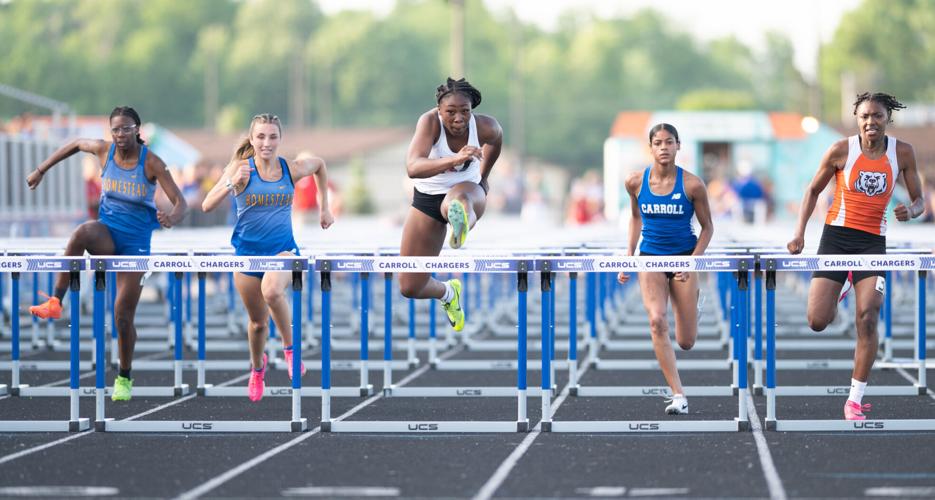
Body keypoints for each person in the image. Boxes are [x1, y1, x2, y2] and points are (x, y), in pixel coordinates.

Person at [26, 106, 188, 401]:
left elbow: (181, 202)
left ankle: (124, 376)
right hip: (108, 234)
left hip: (136, 245)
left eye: (126, 129)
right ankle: (56, 301)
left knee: (122, 316)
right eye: (115, 129)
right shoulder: (104, 151)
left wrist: (171, 219)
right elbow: (76, 144)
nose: (120, 134)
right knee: (81, 232)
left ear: (137, 130)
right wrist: (41, 170)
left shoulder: (151, 162)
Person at [787, 92, 925, 421]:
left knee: (868, 317)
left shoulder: (903, 152)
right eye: (864, 116)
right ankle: (845, 283)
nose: (870, 122)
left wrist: (911, 211)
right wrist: (799, 233)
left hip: (872, 243)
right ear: (857, 120)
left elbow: (920, 200)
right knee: (817, 321)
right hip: (836, 238)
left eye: (877, 116)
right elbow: (812, 190)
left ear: (887, 119)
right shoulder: (840, 150)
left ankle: (854, 399)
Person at [202, 114, 333, 402]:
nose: (266, 143)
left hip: (283, 251)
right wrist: (232, 183)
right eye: (261, 137)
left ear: (280, 139)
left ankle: (291, 351)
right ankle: (257, 368)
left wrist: (325, 207)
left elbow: (320, 165)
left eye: (273, 137)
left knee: (272, 291)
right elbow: (207, 204)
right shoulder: (240, 168)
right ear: (252, 139)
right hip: (248, 257)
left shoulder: (290, 169)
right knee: (258, 324)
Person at [616, 123, 714, 415]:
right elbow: (636, 218)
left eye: (669, 142)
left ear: (678, 146)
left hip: (683, 258)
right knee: (657, 321)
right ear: (650, 148)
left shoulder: (693, 185)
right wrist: (629, 255)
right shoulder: (635, 182)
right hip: (651, 259)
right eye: (657, 143)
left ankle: (693, 302)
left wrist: (692, 261)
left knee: (686, 341)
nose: (663, 148)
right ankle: (678, 395)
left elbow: (708, 228)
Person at [398, 77, 502, 331]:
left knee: (457, 200)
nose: (458, 119)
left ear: (472, 110)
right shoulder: (429, 122)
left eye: (465, 111)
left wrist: (484, 177)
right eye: (451, 112)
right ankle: (448, 292)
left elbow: (496, 141)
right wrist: (455, 159)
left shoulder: (485, 126)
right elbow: (413, 167)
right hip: (427, 199)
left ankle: (461, 223)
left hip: (468, 191)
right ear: (439, 110)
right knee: (410, 286)